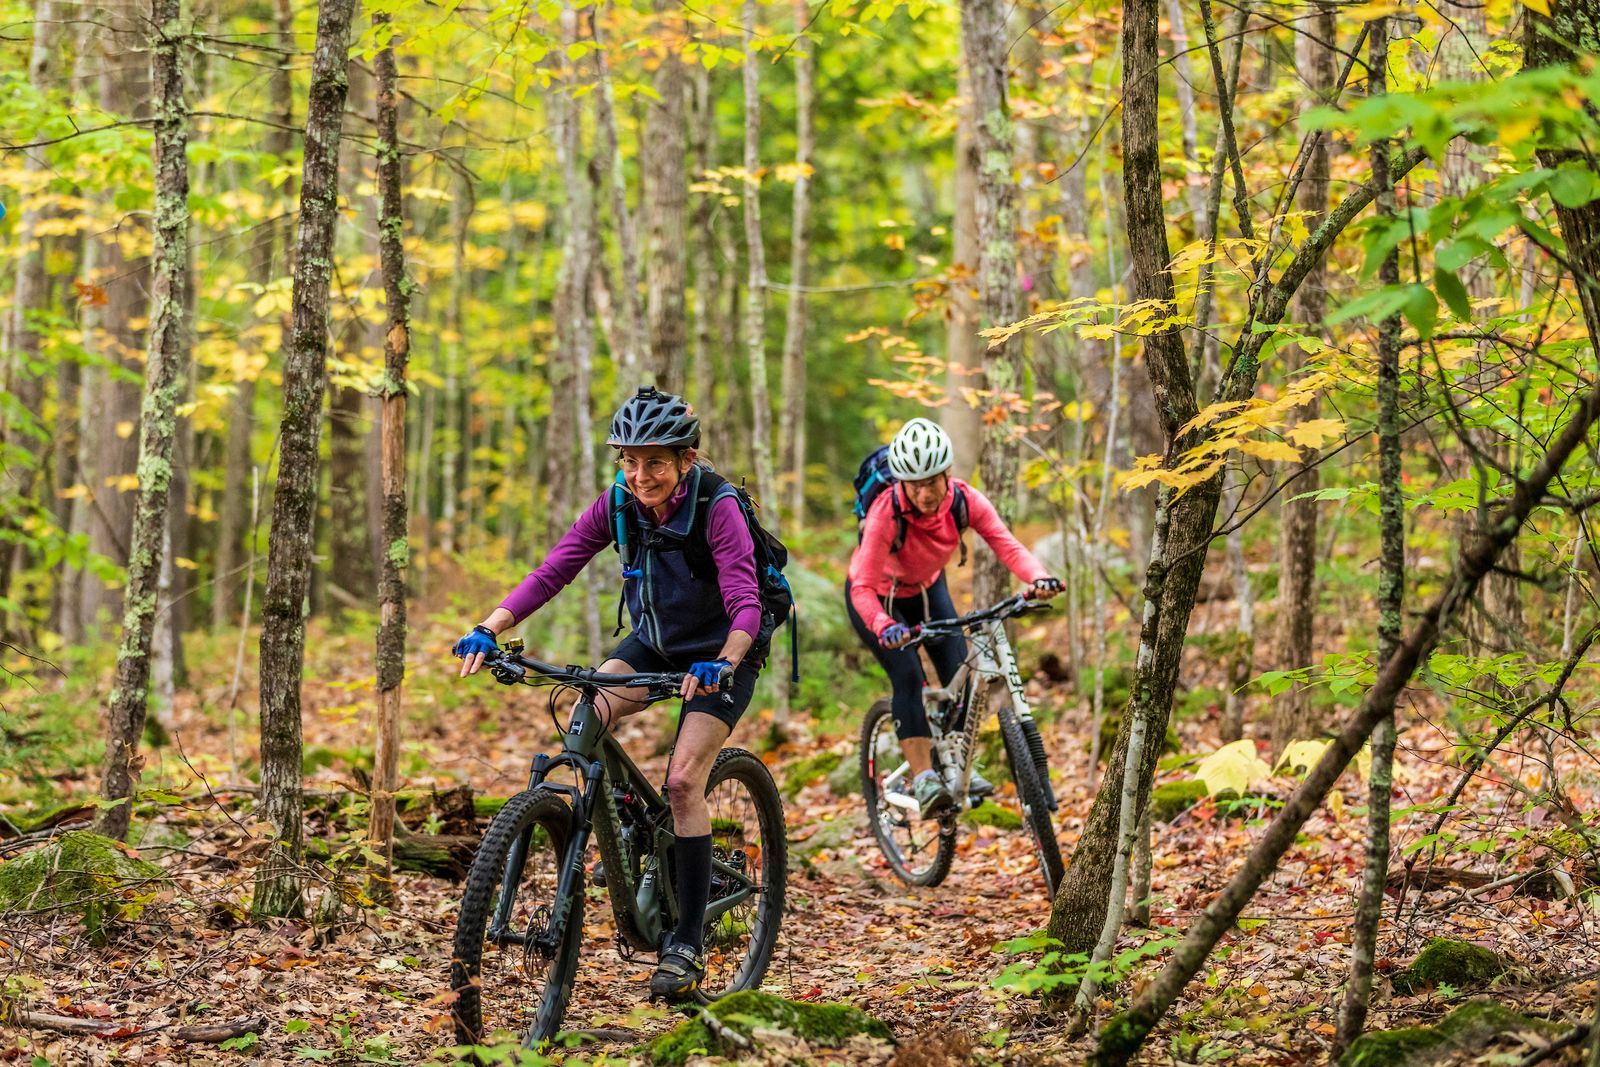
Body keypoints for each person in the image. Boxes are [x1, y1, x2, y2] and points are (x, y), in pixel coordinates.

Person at [452, 386, 767, 1003]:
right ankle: (628, 835)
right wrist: (490, 626)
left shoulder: (718, 507)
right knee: (585, 714)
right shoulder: (618, 501)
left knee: (684, 782)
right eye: (630, 460)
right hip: (656, 642)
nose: (641, 475)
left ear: (686, 459)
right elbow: (555, 569)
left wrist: (725, 661)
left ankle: (685, 942)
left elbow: (745, 599)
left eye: (656, 462)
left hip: (725, 651)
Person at [846, 417, 1062, 818]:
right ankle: (925, 777)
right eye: (914, 485)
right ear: (901, 483)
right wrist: (883, 625)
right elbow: (862, 587)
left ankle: (955, 762)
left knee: (959, 671)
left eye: (932, 482)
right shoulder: (885, 512)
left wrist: (1039, 577)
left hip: (928, 589)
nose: (924, 493)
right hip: (879, 599)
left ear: (947, 474)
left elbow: (1007, 545)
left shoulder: (965, 500)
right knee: (908, 676)